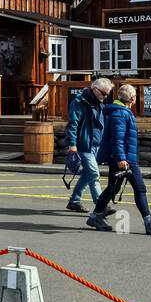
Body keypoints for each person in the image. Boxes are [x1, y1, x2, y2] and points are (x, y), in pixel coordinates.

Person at [86, 84, 151, 235]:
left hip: (123, 156)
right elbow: (117, 139)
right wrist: (121, 158)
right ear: (132, 99)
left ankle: (96, 216)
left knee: (113, 188)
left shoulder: (121, 112)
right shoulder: (120, 114)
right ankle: (149, 223)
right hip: (124, 158)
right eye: (135, 97)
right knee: (139, 188)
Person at [64, 76, 114, 213]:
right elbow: (72, 125)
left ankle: (74, 201)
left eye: (107, 94)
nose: (105, 96)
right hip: (84, 145)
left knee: (87, 174)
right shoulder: (79, 102)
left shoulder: (99, 102)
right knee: (93, 173)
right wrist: (72, 144)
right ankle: (100, 205)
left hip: (97, 145)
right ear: (94, 89)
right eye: (103, 93)